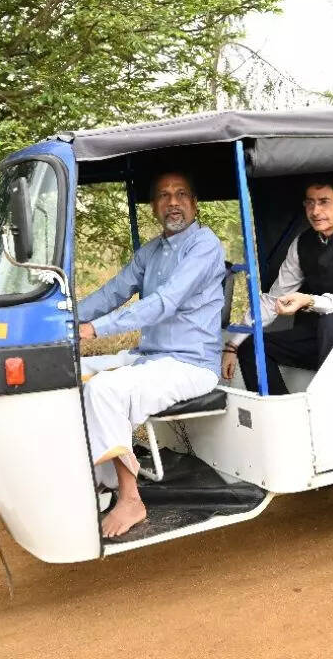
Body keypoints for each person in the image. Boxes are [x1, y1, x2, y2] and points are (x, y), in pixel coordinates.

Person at [76, 170, 226, 538]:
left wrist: (96, 329)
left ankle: (131, 499)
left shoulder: (204, 245)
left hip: (189, 363)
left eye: (180, 194)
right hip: (151, 356)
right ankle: (102, 478)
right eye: (163, 195)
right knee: (67, 372)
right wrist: (63, 319)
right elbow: (113, 292)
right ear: (154, 206)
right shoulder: (152, 251)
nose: (172, 202)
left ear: (194, 203)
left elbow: (165, 303)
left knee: (105, 390)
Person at [221, 181, 333, 394]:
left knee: (332, 322)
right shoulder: (302, 243)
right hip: (322, 335)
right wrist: (233, 344)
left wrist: (310, 301)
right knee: (252, 346)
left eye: (324, 202)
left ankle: (329, 402)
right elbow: (274, 300)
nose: (316, 211)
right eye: (310, 203)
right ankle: (281, 415)